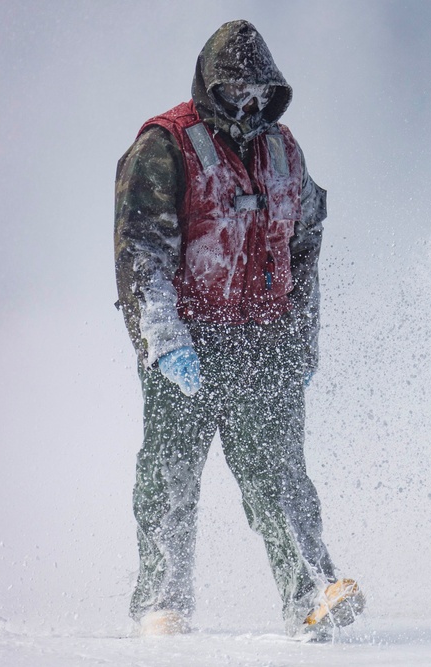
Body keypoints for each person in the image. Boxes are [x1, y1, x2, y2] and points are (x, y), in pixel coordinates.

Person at [113, 20, 363, 638]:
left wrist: (303, 338)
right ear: (211, 87)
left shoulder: (285, 150)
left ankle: (311, 591)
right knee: (170, 474)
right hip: (189, 345)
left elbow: (304, 249)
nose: (248, 103)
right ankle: (160, 602)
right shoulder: (164, 145)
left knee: (279, 472)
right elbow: (140, 252)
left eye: (259, 91)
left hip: (267, 340)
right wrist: (164, 342)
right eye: (235, 91)